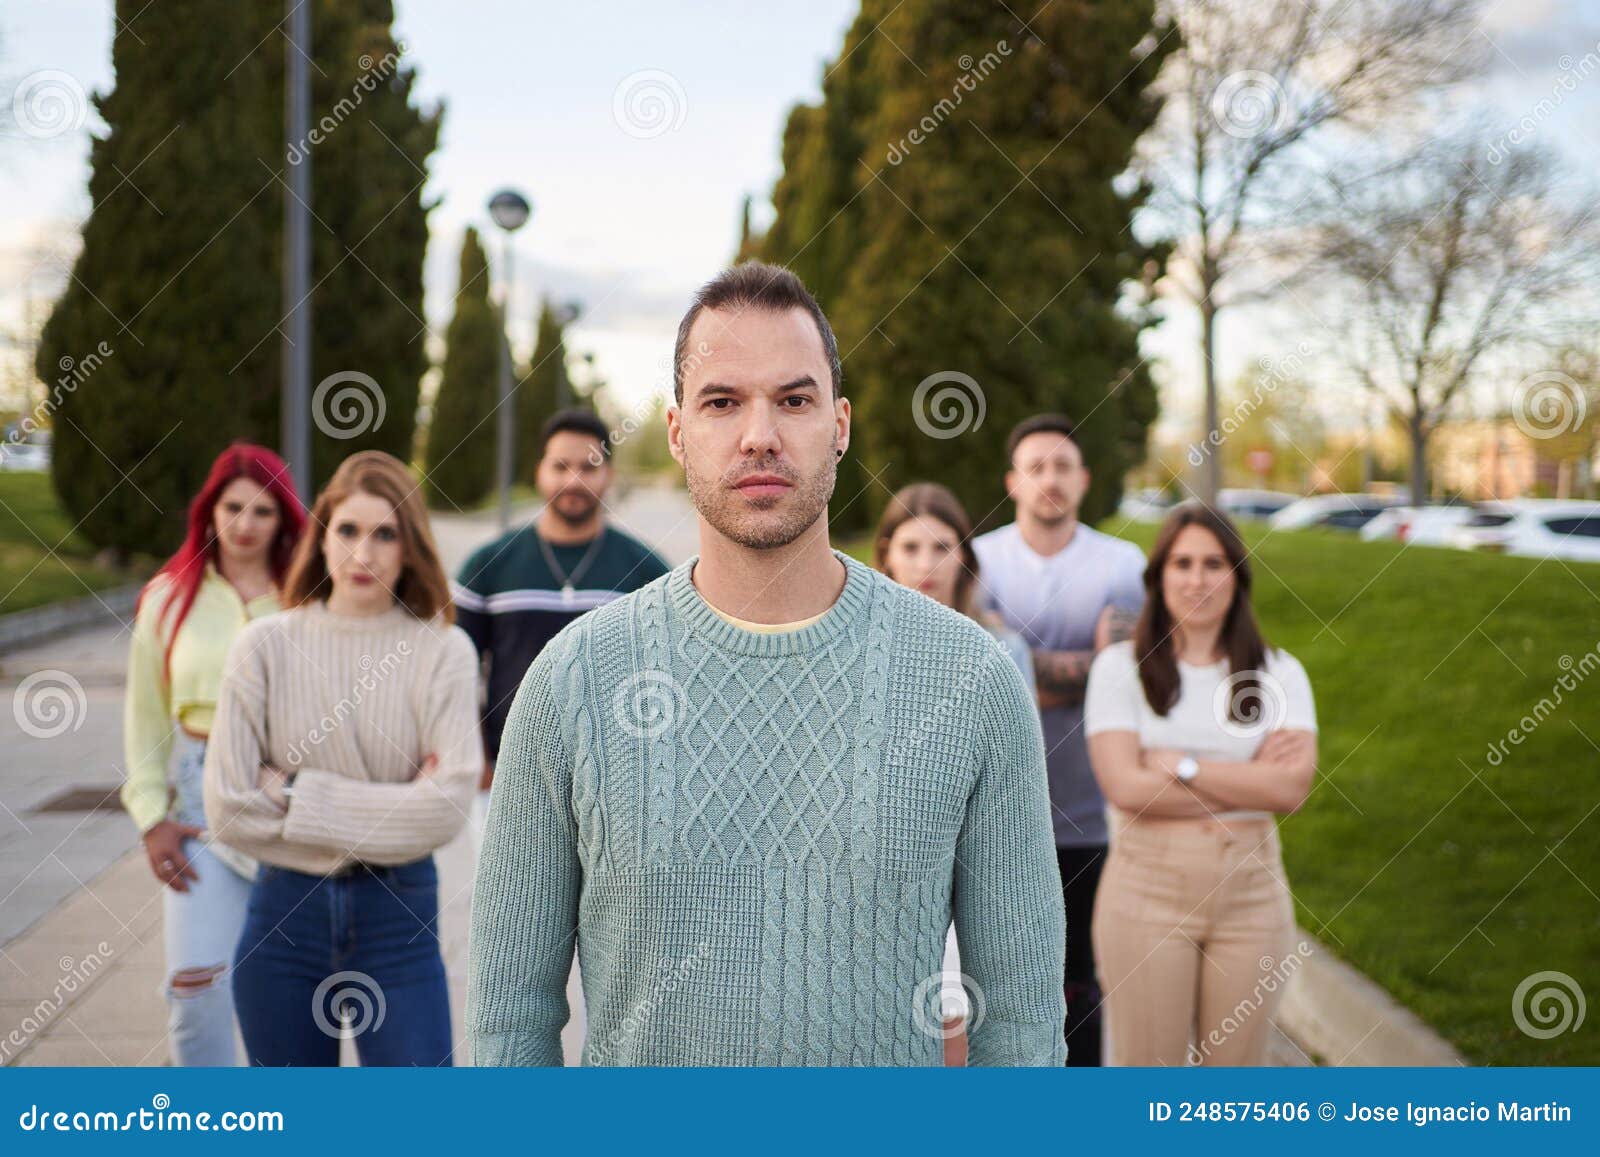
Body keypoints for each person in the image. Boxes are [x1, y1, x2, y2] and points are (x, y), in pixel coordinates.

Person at [467, 262, 1065, 1066]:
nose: (760, 435)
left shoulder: (971, 679)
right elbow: (509, 1016)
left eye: (794, 399)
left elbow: (1022, 1019)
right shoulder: (571, 680)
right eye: (721, 401)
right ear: (677, 432)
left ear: (841, 423)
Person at [205, 450, 481, 1066]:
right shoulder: (263, 647)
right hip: (282, 919)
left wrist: (295, 792)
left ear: (410, 546)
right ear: (320, 535)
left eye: (385, 533)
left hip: (398, 915)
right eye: (348, 530)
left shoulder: (443, 650)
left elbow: (445, 808)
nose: (364, 554)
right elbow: (226, 806)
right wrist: (393, 805)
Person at [1084, 503, 1317, 1066]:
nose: (1197, 579)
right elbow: (1127, 789)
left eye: (1214, 563)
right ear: (1159, 577)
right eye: (1182, 563)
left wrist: (1184, 768)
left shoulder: (1279, 673)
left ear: (1238, 576)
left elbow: (1291, 791)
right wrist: (1249, 783)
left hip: (1252, 901)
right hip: (1147, 899)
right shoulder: (1120, 669)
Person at [121, 443, 305, 1066]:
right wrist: (151, 817)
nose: (246, 525)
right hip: (199, 807)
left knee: (288, 1000)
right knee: (196, 991)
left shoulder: (308, 594)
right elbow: (145, 717)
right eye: (234, 507)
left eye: (264, 511)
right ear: (210, 509)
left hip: (293, 803)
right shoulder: (168, 598)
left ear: (283, 519)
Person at [972, 413, 1145, 1066]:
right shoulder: (979, 559)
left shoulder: (1122, 564)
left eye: (1063, 466)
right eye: (1036, 466)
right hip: (994, 814)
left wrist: (1023, 665)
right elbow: (986, 680)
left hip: (1090, 812)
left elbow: (1129, 679)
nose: (1050, 478)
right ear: (1013, 480)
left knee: (1084, 980)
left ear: (1085, 479)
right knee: (998, 978)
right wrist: (1088, 663)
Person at [871, 481, 1040, 1066]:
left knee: (961, 1026)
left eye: (943, 547)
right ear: (886, 554)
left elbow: (1014, 777)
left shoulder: (1001, 651)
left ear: (965, 557)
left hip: (970, 854)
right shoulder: (861, 650)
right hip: (885, 862)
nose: (927, 564)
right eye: (912, 547)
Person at [452, 408, 669, 828]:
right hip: (507, 771)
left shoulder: (647, 572)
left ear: (609, 474)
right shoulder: (489, 566)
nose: (573, 480)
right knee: (509, 894)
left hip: (619, 780)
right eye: (560, 466)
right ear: (539, 472)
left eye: (589, 466)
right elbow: (458, 672)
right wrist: (474, 755)